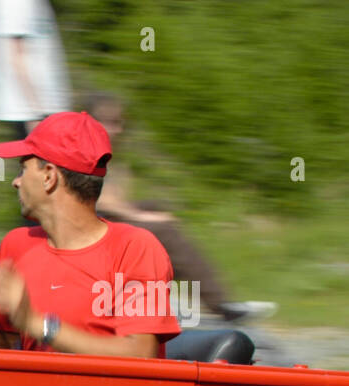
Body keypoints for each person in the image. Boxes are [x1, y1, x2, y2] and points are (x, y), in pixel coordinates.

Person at [0, 111, 180, 357]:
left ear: (49, 176)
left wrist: (37, 324)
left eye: (23, 170)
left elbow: (139, 352)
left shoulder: (136, 247)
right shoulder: (16, 244)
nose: (16, 182)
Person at [85, 91, 276, 322]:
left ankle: (182, 297)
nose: (118, 130)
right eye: (110, 123)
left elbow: (118, 197)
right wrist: (141, 216)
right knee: (161, 227)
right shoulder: (83, 153)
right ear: (91, 122)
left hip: (98, 223)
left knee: (155, 208)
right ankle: (218, 303)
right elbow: (99, 200)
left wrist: (143, 212)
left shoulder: (111, 156)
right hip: (86, 228)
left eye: (120, 122)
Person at [0, 0, 71, 139]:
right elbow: (15, 57)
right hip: (33, 113)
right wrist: (36, 114)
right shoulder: (16, 3)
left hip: (43, 111)